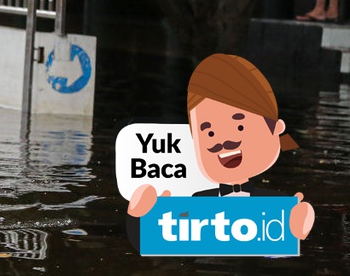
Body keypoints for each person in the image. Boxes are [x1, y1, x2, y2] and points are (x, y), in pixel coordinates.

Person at [126, 54, 315, 250]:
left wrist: (297, 228)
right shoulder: (197, 202)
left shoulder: (279, 206)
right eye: (209, 132)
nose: (223, 142)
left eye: (240, 127)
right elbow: (157, 240)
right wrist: (141, 217)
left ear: (275, 128)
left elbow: (281, 254)